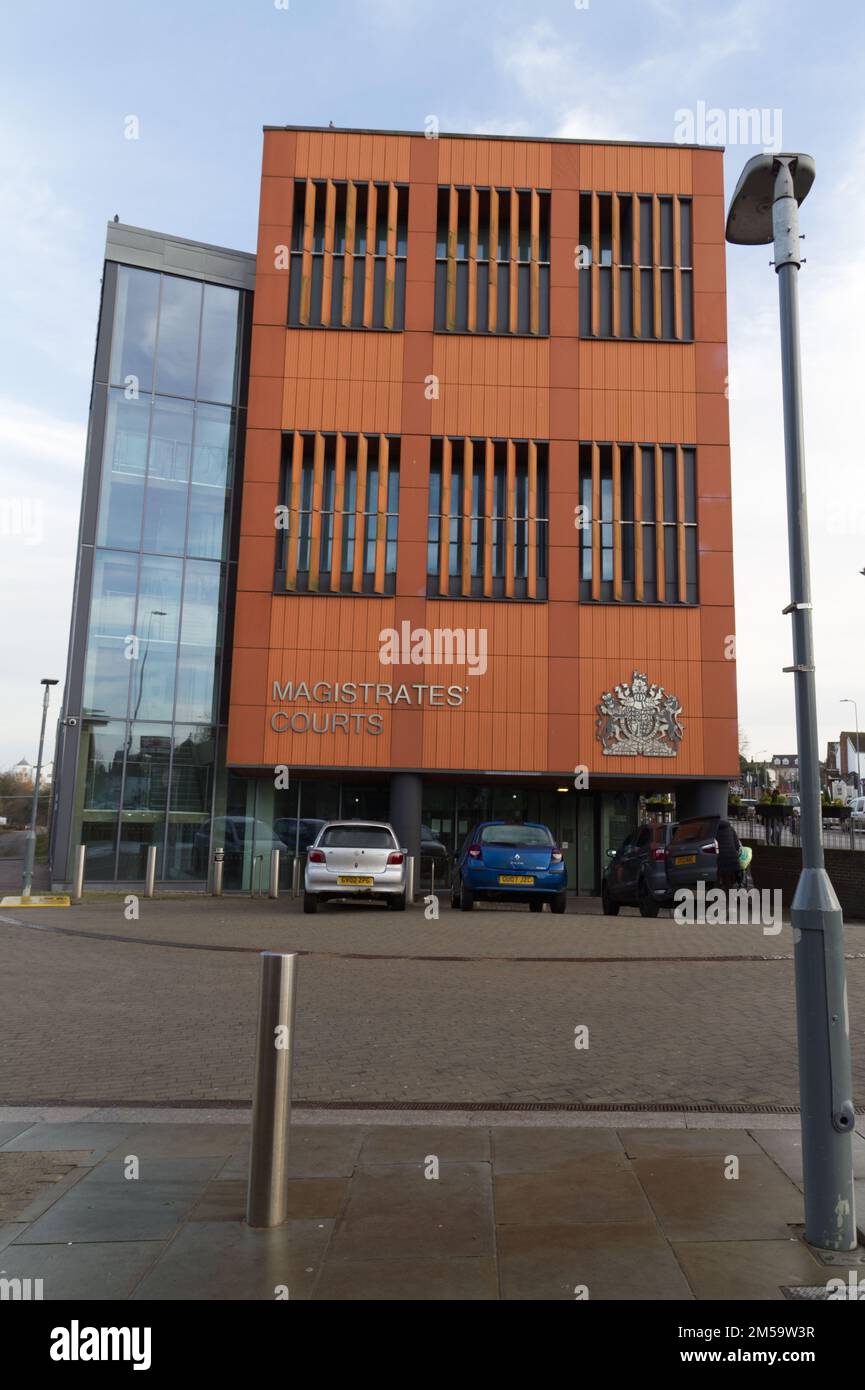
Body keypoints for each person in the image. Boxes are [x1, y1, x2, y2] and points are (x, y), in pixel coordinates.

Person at [716, 818, 742, 893]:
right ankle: (729, 898)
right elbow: (737, 845)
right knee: (730, 882)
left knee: (721, 880)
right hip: (733, 860)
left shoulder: (714, 831)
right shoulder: (731, 829)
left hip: (721, 860)